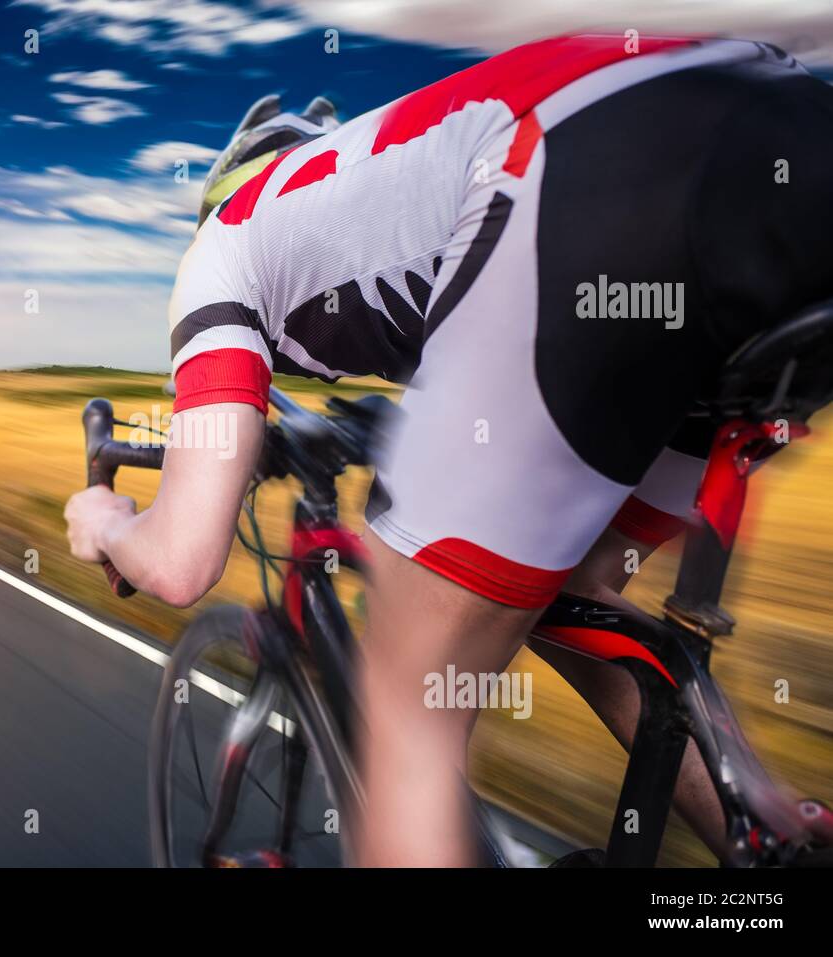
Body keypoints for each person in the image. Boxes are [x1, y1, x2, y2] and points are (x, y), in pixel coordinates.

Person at [65, 34, 833, 865]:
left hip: (603, 168)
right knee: (576, 583)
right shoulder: (388, 172)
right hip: (791, 150)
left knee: (408, 696)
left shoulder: (227, 240)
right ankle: (769, 840)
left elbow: (182, 559)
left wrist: (106, 520)